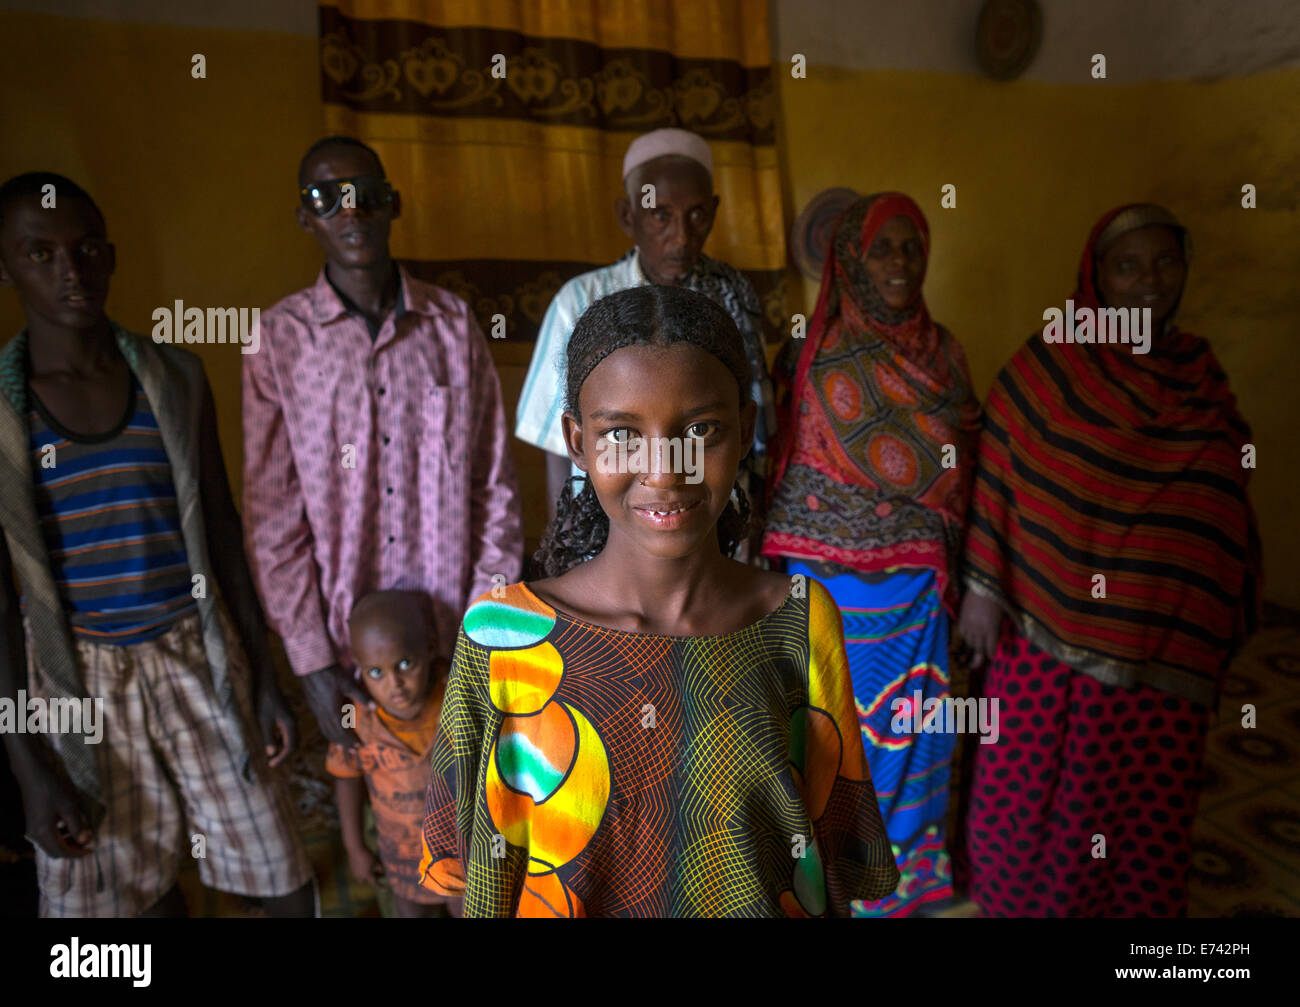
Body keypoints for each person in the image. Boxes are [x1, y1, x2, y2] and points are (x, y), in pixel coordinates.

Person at [419, 284, 899, 917]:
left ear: (747, 430)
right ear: (577, 442)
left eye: (700, 429)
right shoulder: (502, 637)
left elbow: (830, 866)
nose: (666, 468)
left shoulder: (797, 620)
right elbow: (476, 872)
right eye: (621, 434)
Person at [0, 172, 312, 917]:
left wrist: (264, 677)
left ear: (110, 256)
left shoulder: (172, 377)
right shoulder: (9, 411)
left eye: (84, 249)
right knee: (110, 898)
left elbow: (223, 533)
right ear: (7, 267)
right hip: (84, 678)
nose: (70, 270)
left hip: (194, 652)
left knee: (283, 879)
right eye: (39, 254)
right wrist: (29, 764)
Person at [956, 203, 1261, 917]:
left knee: (1141, 798)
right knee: (1037, 791)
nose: (1150, 282)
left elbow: (1226, 504)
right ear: (1096, 277)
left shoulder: (1199, 375)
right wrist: (982, 588)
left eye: (1165, 263)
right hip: (1044, 642)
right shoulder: (1051, 367)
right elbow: (997, 468)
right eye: (1128, 266)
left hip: (1164, 651)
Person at [242, 136, 523, 754]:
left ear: (392, 203)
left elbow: (493, 485)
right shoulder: (279, 341)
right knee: (381, 810)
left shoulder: (451, 325)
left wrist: (486, 628)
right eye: (327, 198)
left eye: (365, 195)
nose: (350, 212)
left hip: (456, 638)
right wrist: (311, 659)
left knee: (474, 805)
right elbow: (273, 514)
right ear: (303, 216)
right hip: (351, 659)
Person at [514, 127, 775, 544]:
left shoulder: (735, 298)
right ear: (626, 215)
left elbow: (754, 431)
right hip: (605, 534)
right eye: (660, 214)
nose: (681, 236)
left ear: (714, 211)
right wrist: (564, 540)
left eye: (697, 215)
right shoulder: (581, 300)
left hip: (710, 524)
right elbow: (555, 445)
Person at [328, 590, 459, 917]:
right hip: (400, 854)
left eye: (405, 664)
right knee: (408, 911)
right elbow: (346, 780)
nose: (394, 684)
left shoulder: (456, 696)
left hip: (460, 849)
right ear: (358, 668)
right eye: (377, 673)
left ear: (429, 648)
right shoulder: (356, 719)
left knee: (466, 909)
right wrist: (355, 847)